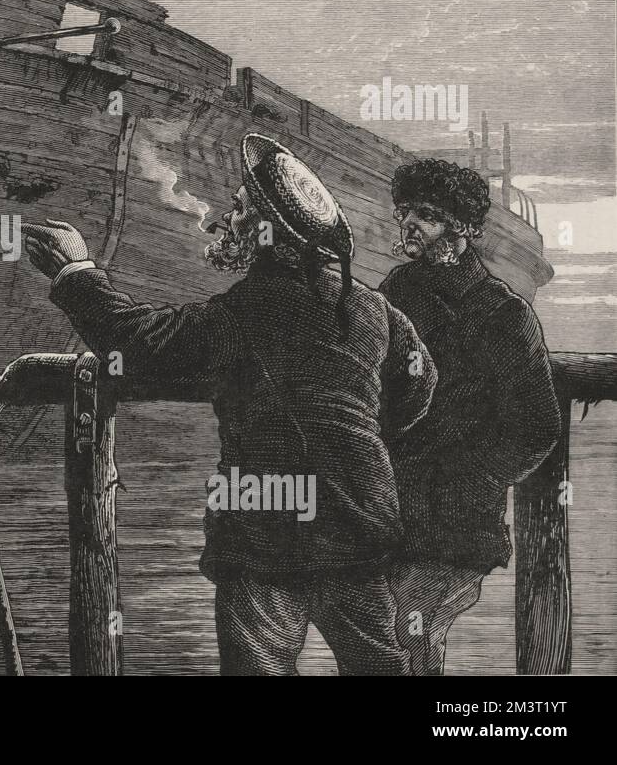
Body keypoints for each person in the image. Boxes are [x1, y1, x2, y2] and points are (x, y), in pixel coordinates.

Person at [22, 133, 435, 675]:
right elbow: (418, 385)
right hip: (361, 528)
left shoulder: (241, 313)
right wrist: (352, 443)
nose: (225, 220)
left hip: (264, 538)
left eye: (240, 210)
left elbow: (141, 344)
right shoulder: (381, 314)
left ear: (270, 233)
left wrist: (75, 274)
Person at [380, 158, 561, 675]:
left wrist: (469, 479)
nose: (410, 224)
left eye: (429, 215)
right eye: (406, 212)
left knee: (411, 631)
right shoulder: (396, 291)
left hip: (455, 521)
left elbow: (535, 429)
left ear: (463, 230)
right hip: (388, 506)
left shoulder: (503, 315)